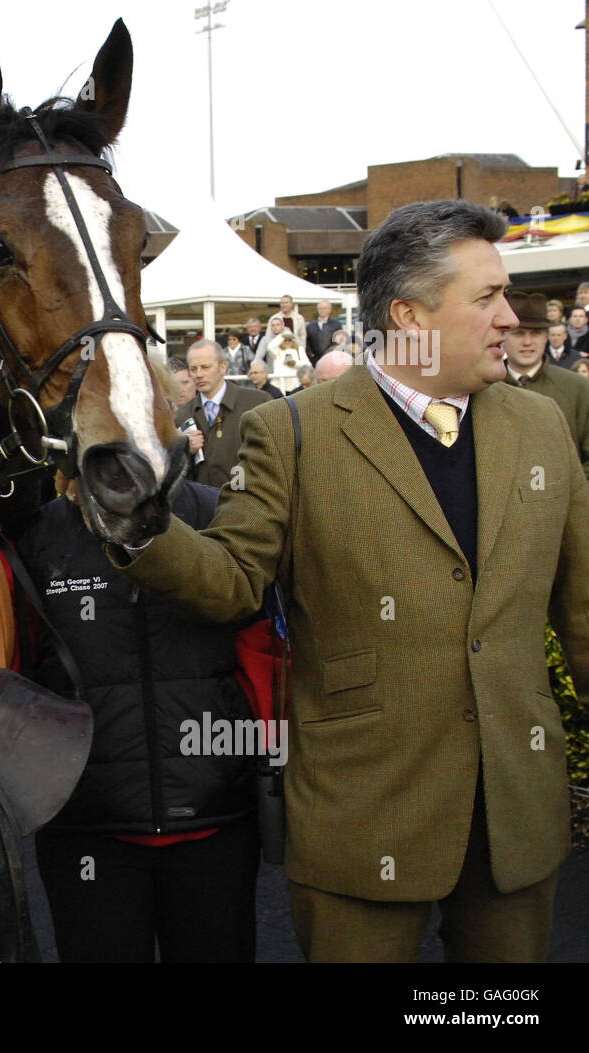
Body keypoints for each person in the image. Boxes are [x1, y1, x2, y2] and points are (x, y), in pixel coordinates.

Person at [111, 199, 587, 963]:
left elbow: (583, 611)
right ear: (409, 315)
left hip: (515, 813)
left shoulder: (542, 427)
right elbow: (234, 578)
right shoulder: (293, 431)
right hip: (364, 815)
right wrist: (138, 525)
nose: (511, 315)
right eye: (487, 296)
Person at [0, 465, 261, 962]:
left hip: (214, 819)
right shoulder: (34, 531)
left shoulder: (218, 511)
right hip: (86, 829)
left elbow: (265, 652)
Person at [502, 290, 589, 478]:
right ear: (503, 336)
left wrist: (575, 497)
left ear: (546, 337)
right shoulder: (481, 388)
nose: (527, 341)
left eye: (536, 333)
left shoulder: (578, 388)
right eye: (518, 333)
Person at [177, 339, 271, 489]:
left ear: (223, 368)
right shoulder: (182, 415)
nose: (199, 374)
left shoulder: (257, 402)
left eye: (205, 367)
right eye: (193, 369)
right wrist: (183, 449)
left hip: (246, 502)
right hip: (202, 506)